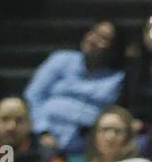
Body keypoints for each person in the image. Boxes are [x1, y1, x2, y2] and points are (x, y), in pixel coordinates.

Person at [23, 20, 126, 154]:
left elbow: (108, 112)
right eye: (93, 32)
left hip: (87, 140)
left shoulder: (116, 77)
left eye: (103, 38)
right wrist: (43, 131)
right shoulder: (61, 59)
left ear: (114, 48)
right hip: (44, 133)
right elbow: (33, 95)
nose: (93, 40)